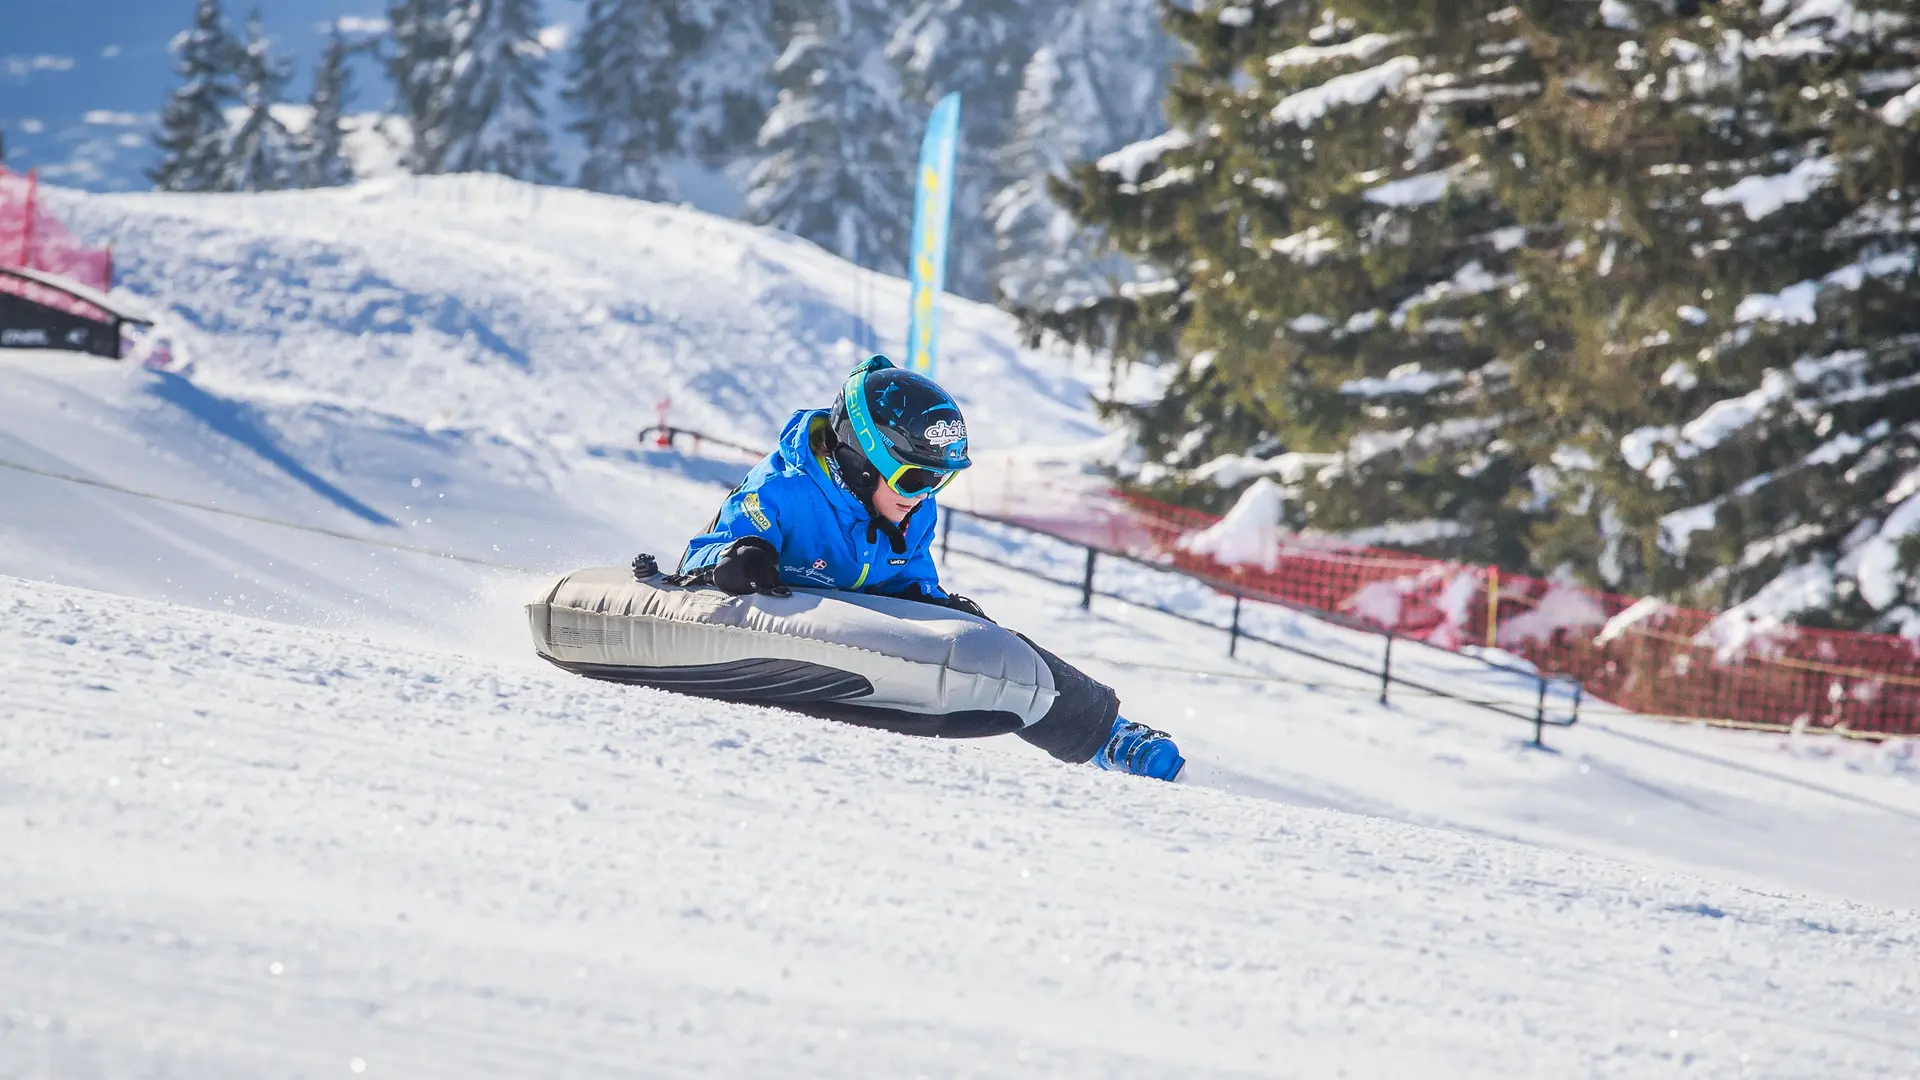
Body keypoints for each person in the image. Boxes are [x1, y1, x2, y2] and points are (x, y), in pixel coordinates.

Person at [680, 354, 1185, 780]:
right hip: (773, 622)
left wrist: (945, 611)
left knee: (995, 643)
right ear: (860, 461)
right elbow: (704, 552)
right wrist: (741, 557)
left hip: (856, 632)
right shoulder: (784, 487)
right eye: (915, 477)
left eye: (937, 482)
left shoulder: (910, 511)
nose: (924, 495)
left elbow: (908, 586)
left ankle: (1107, 735)